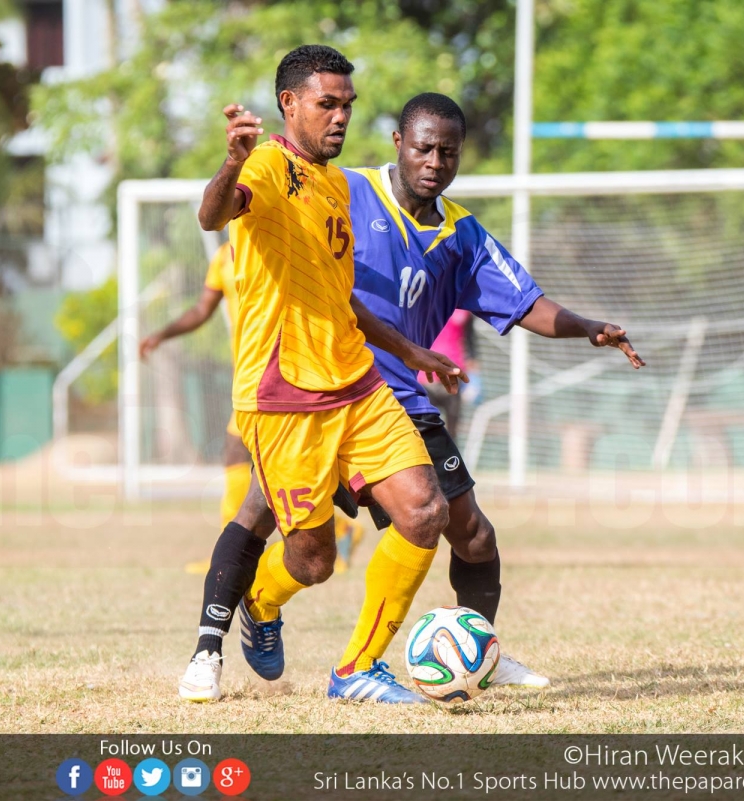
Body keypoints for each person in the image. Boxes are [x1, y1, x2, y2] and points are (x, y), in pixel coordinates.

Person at [180, 91, 644, 702]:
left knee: (467, 531)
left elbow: (524, 302)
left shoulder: (462, 234)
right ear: (399, 143)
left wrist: (586, 326)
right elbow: (233, 217)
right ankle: (235, 627)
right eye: (424, 147)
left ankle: (468, 649)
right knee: (290, 539)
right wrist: (236, 168)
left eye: (448, 151)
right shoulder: (341, 187)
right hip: (302, 390)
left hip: (389, 396)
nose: (434, 161)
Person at [186, 45, 463, 704]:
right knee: (314, 561)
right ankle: (257, 598)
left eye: (347, 106)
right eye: (326, 104)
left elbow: (342, 298)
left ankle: (357, 669)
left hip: (359, 384)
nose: (340, 118)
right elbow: (212, 214)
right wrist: (230, 160)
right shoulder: (265, 165)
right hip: (284, 396)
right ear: (290, 104)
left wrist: (412, 351)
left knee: (427, 511)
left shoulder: (337, 185)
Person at [138, 244, 362, 570]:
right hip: (250, 376)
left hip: (288, 370)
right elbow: (202, 309)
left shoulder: (280, 242)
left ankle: (236, 553)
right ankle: (336, 531)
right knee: (245, 457)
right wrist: (163, 334)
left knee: (268, 459)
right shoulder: (223, 257)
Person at [419, 309, 476, 438]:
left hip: (454, 373)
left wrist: (475, 377)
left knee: (453, 427)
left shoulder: (464, 311)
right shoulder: (426, 304)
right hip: (426, 375)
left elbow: (470, 341)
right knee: (427, 427)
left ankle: (451, 457)